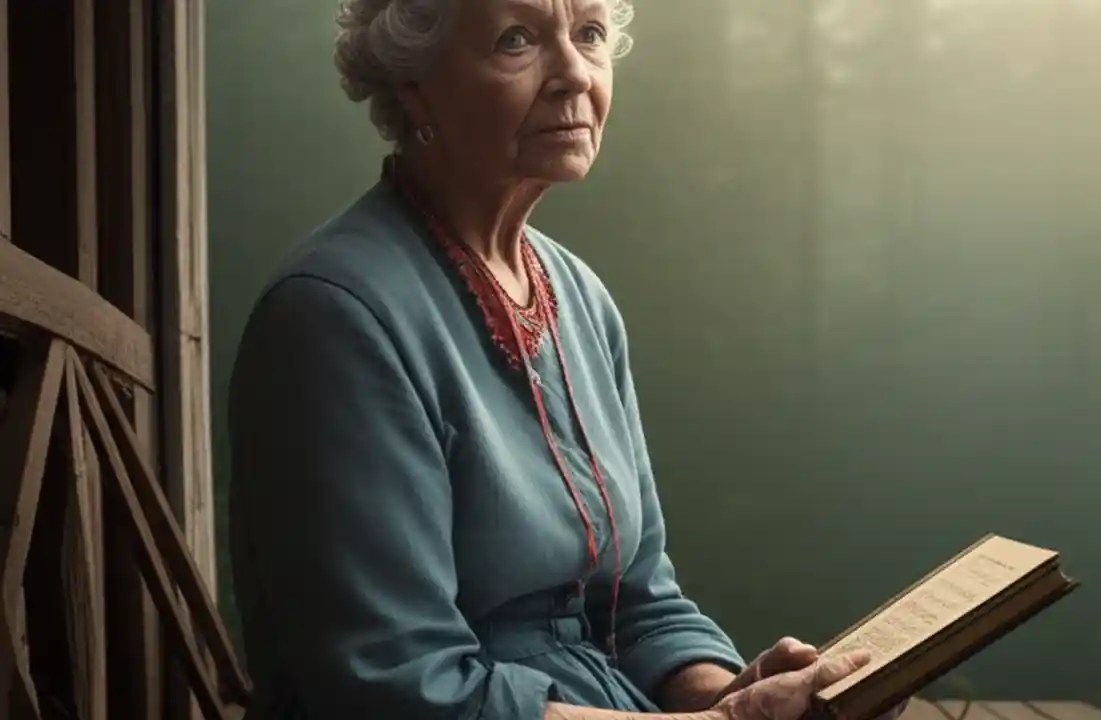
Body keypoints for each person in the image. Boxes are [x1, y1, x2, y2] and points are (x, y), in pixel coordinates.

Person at [227, 1, 893, 719]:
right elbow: (397, 688)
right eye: (517, 39)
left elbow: (640, 602)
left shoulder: (580, 296)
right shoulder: (335, 315)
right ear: (413, 79)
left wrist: (732, 695)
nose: (575, 74)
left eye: (590, 35)